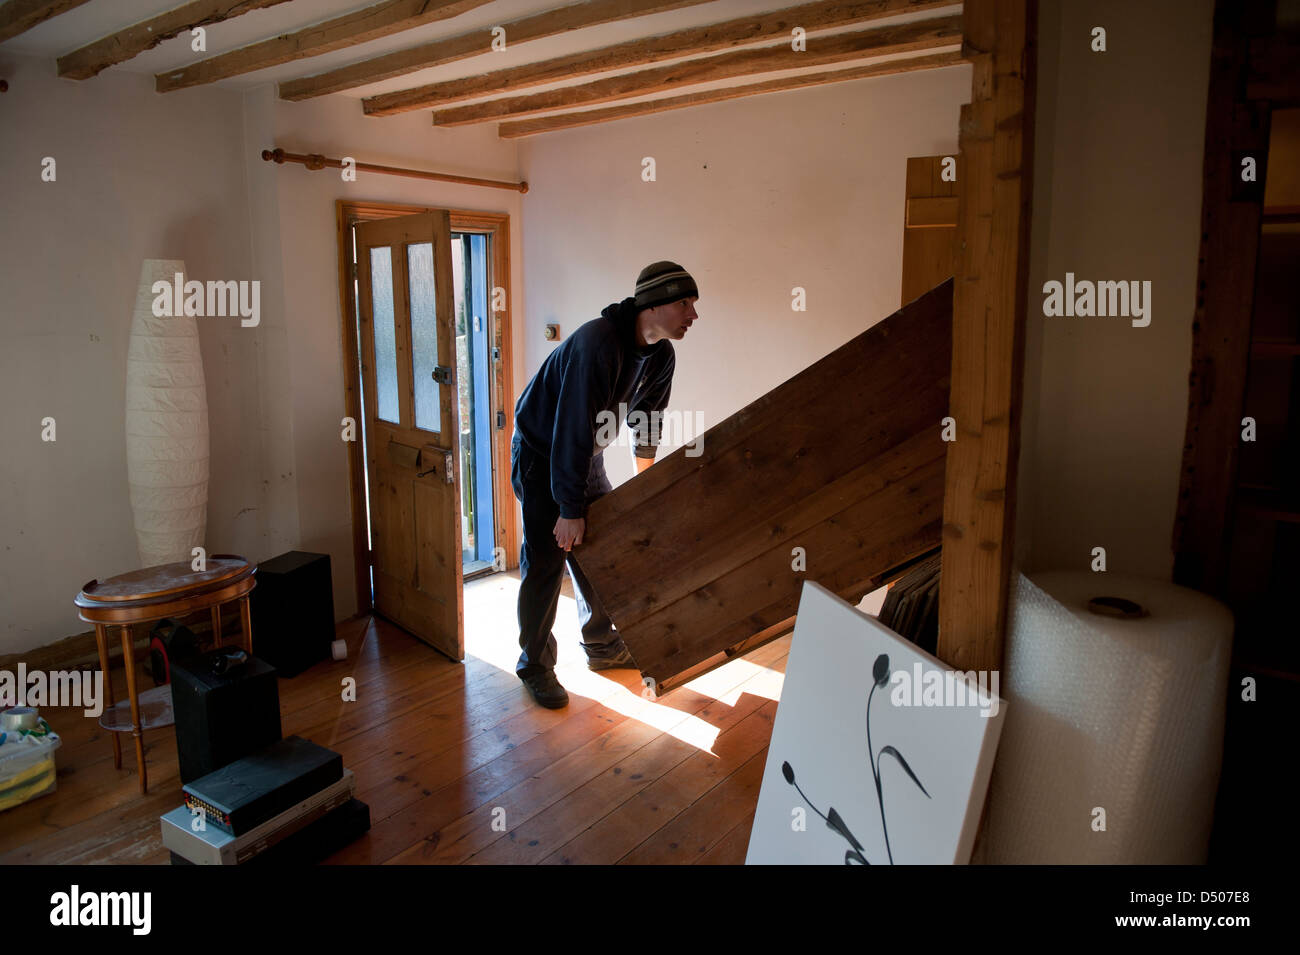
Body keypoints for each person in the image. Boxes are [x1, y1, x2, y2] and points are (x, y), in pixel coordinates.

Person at [510, 261, 700, 708]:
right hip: (543, 452)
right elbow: (570, 430)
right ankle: (534, 665)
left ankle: (600, 645)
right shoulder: (598, 343)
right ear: (652, 305)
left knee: (601, 550)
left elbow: (647, 422)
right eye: (684, 303)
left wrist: (644, 487)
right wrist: (569, 510)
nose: (693, 315)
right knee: (547, 559)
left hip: (584, 453)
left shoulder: (661, 357)